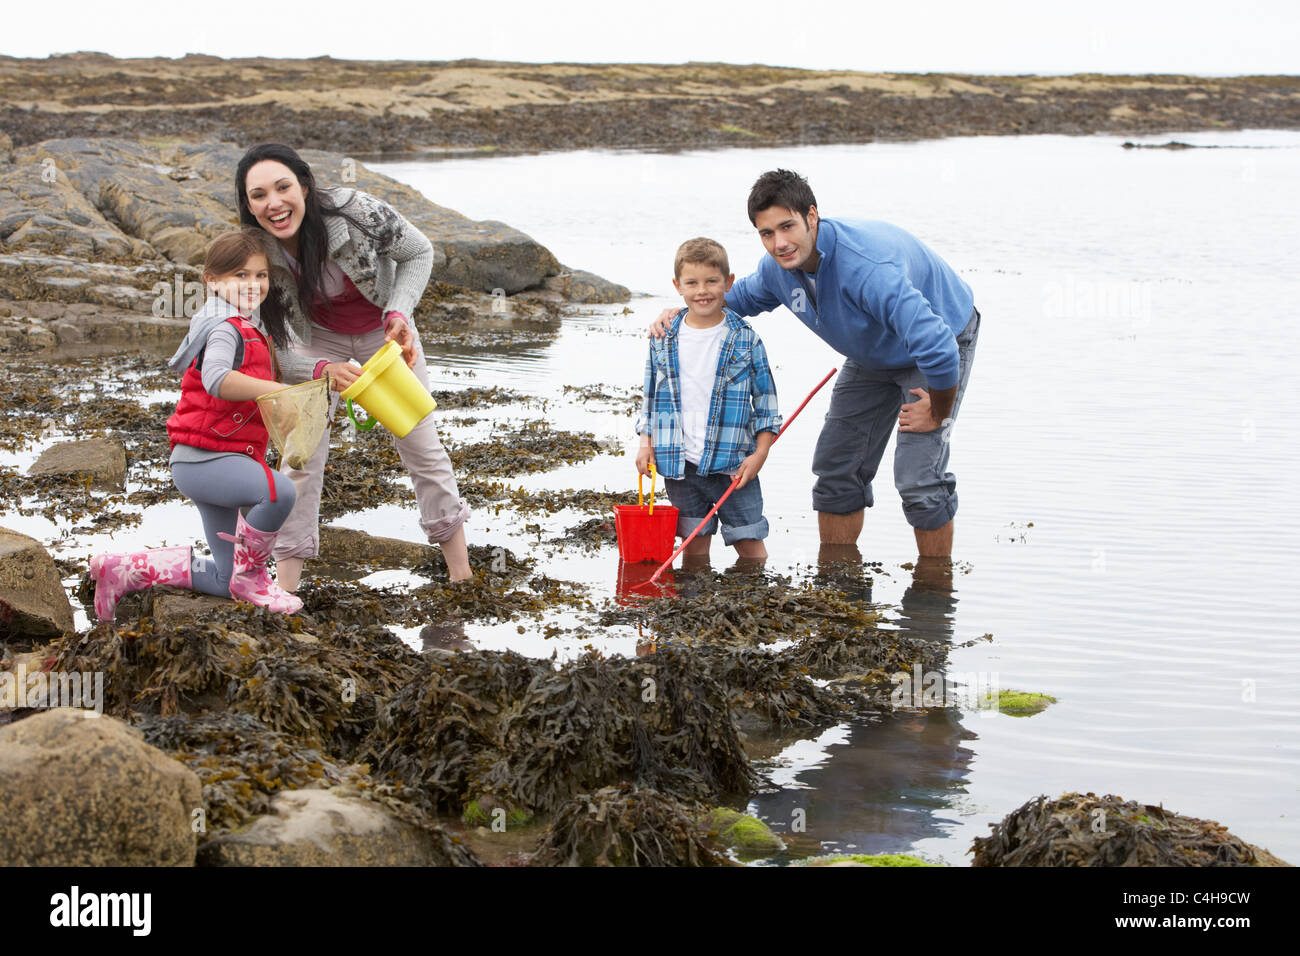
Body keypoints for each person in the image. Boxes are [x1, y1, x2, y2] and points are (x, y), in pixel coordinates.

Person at [650, 169, 979, 558]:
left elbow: (938, 346)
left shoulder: (869, 270)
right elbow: (733, 302)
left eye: (788, 226)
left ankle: (933, 599)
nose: (780, 243)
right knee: (836, 469)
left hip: (938, 344)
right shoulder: (776, 271)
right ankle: (838, 587)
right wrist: (680, 314)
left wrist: (938, 411)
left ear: (812, 216)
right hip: (871, 354)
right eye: (767, 233)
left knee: (918, 480)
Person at [235, 143, 472, 588]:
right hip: (314, 343)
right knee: (300, 458)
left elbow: (419, 252)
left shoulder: (354, 210)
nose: (275, 204)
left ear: (304, 186)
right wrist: (321, 368)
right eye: (259, 195)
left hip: (384, 336)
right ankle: (286, 589)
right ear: (248, 205)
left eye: (283, 188)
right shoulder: (254, 255)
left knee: (421, 446)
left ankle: (462, 576)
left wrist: (399, 312)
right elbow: (272, 343)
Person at [89, 230, 314, 619]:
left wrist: (320, 374)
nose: (253, 284)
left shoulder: (247, 323)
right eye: (240, 275)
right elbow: (216, 378)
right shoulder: (225, 326)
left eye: (261, 275)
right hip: (206, 460)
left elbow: (271, 369)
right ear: (211, 280)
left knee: (227, 582)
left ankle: (120, 570)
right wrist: (275, 391)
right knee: (278, 494)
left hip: (216, 460)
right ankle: (255, 575)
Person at [635, 237, 782, 564]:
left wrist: (760, 454)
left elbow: (767, 405)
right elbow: (650, 399)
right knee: (694, 545)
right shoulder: (663, 337)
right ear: (678, 286)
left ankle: (756, 604)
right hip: (678, 465)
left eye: (712, 281)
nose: (702, 290)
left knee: (750, 545)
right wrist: (646, 443)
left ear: (728, 283)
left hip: (733, 467)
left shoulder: (746, 339)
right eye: (692, 283)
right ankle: (696, 606)